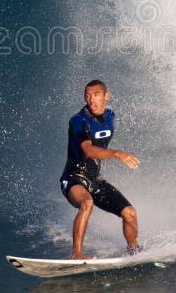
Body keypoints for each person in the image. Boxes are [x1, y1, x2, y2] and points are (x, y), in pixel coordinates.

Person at [59, 79, 141, 259]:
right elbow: (88, 150)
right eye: (87, 96)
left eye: (96, 95)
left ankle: (134, 252)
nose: (91, 100)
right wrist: (117, 153)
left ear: (106, 96)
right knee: (86, 202)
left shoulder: (110, 116)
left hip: (94, 180)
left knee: (130, 213)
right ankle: (77, 254)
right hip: (73, 178)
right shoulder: (78, 121)